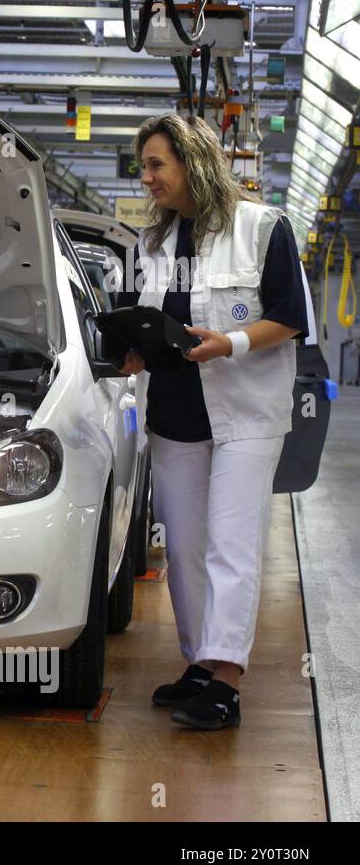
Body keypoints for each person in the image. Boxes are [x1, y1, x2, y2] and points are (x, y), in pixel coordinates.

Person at [107, 114, 309, 731]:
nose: (147, 179)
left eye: (155, 165)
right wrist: (137, 347)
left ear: (191, 163)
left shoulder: (263, 228)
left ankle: (226, 679)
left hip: (245, 415)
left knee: (231, 546)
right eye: (143, 167)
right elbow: (152, 318)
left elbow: (291, 317)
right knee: (186, 549)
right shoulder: (155, 244)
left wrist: (232, 344)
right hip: (173, 414)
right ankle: (198, 663)